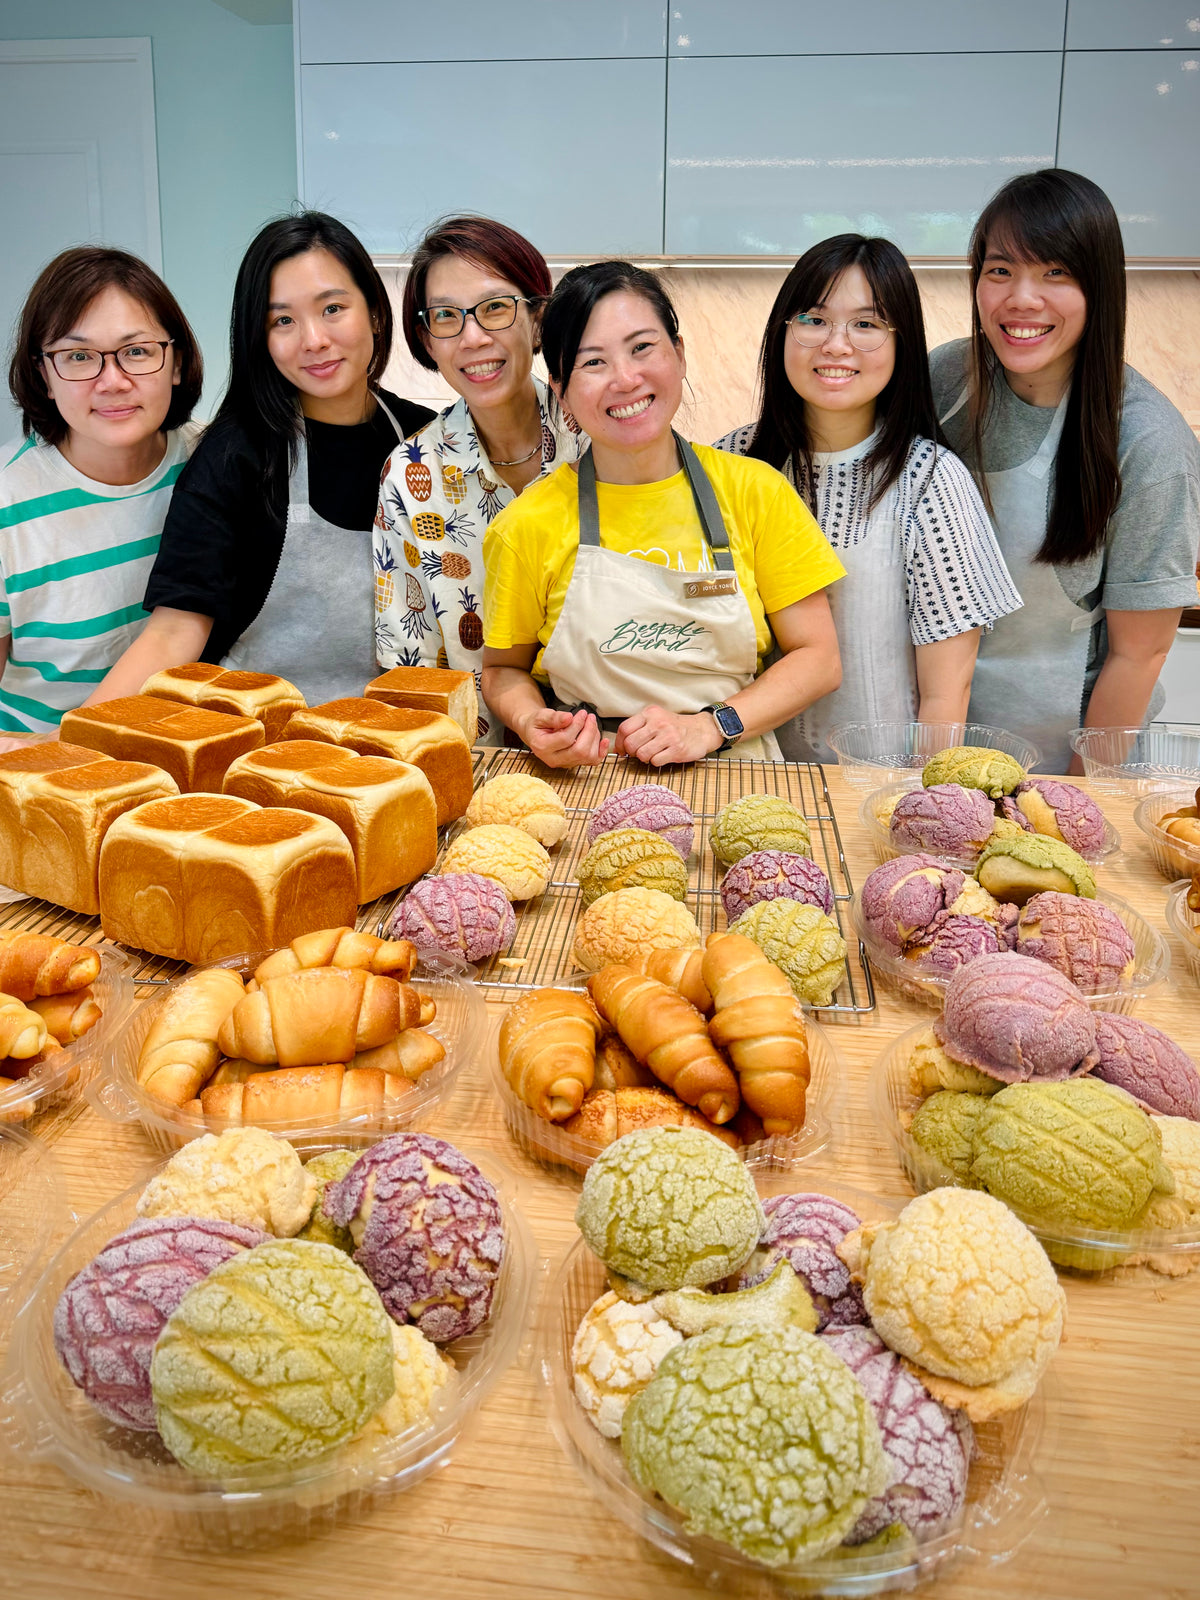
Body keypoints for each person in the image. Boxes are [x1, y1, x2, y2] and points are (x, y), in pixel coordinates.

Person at [481, 260, 845, 768]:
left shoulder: (756, 491)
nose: (625, 379)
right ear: (560, 387)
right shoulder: (525, 525)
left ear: (678, 354)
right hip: (586, 777)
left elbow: (819, 660)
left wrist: (711, 726)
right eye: (592, 362)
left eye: (642, 348)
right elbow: (501, 671)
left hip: (735, 771)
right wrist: (530, 722)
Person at [90, 212, 435, 707]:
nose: (313, 339)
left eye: (333, 308)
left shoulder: (427, 439)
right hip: (259, 744)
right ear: (261, 338)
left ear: (376, 313)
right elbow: (174, 632)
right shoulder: (235, 455)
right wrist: (72, 741)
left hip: (402, 732)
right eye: (283, 321)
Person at [930, 168, 1200, 775]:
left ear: (1100, 288)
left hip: (1062, 758)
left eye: (1056, 273)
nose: (1022, 299)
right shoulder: (947, 379)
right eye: (1000, 271)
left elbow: (1140, 652)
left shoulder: (1148, 443)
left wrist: (1080, 800)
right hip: (934, 742)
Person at [716, 234, 1022, 763]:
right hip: (740, 774)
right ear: (781, 332)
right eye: (814, 319)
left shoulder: (930, 480)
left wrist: (917, 812)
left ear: (902, 344)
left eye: (866, 324)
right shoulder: (731, 462)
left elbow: (946, 695)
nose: (836, 345)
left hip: (875, 788)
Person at [374, 215, 584, 743]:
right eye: (446, 316)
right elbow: (411, 667)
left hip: (616, 749)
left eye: (494, 308)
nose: (472, 337)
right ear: (427, 338)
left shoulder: (597, 438)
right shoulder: (410, 473)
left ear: (538, 318)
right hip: (478, 765)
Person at [0, 247, 203, 743]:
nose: (112, 382)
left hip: (186, 762)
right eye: (78, 356)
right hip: (43, 769)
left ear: (176, 362)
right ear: (43, 375)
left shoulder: (214, 464)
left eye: (136, 351)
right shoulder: (8, 501)